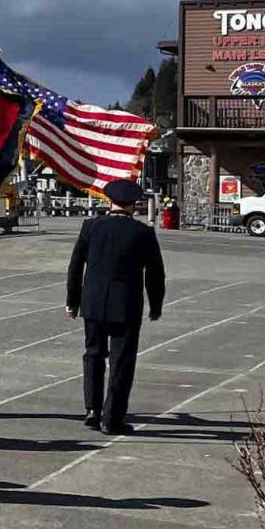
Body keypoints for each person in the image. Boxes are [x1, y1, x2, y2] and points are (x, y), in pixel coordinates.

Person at [66, 178, 166, 436]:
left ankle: (92, 409)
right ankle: (112, 417)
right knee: (121, 363)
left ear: (109, 201)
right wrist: (156, 304)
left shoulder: (91, 227)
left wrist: (72, 301)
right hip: (126, 305)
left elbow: (76, 266)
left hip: (94, 302)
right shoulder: (143, 233)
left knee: (93, 355)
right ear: (134, 204)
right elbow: (155, 274)